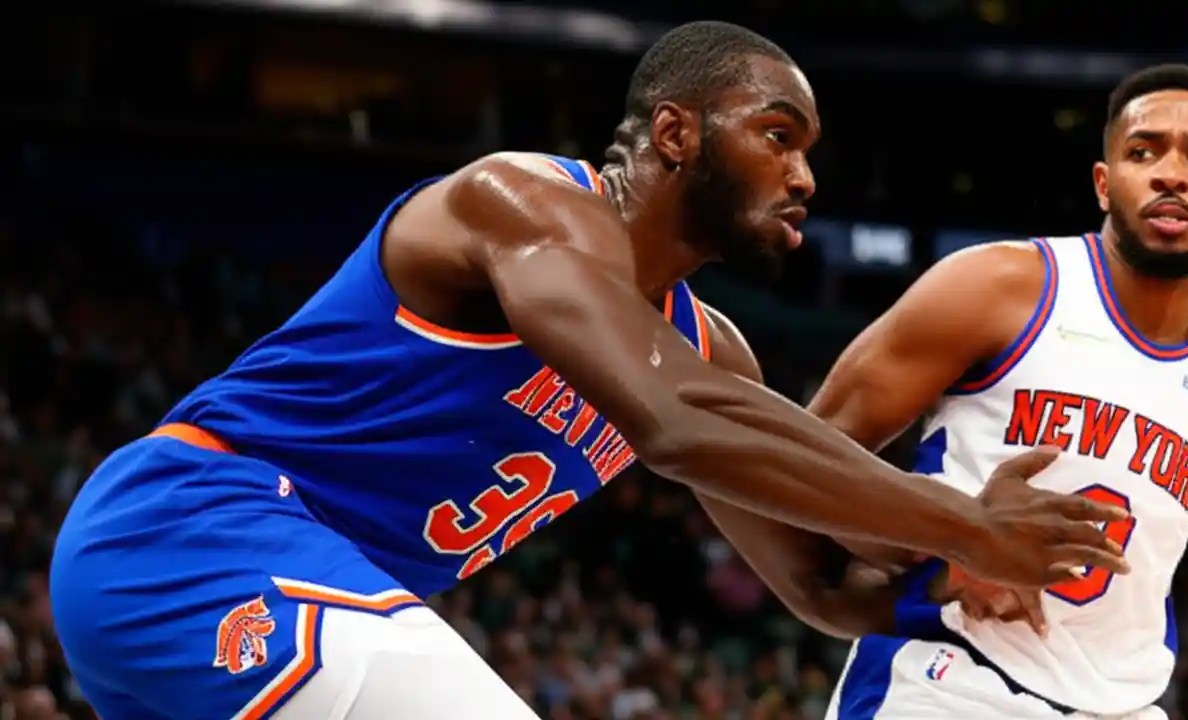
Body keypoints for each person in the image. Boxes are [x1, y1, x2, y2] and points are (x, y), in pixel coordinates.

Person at [48, 21, 1127, 720]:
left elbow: (821, 584)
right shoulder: (517, 202)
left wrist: (951, 575)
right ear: (673, 133)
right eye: (776, 136)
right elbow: (671, 418)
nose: (802, 176)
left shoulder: (714, 352)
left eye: (808, 153)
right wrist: (955, 520)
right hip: (197, 532)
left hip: (281, 598)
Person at [700, 63, 1188, 719]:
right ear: (1103, 183)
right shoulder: (1000, 289)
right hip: (949, 685)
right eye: (1143, 151)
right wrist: (948, 543)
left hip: (1125, 705)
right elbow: (792, 471)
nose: (1170, 173)